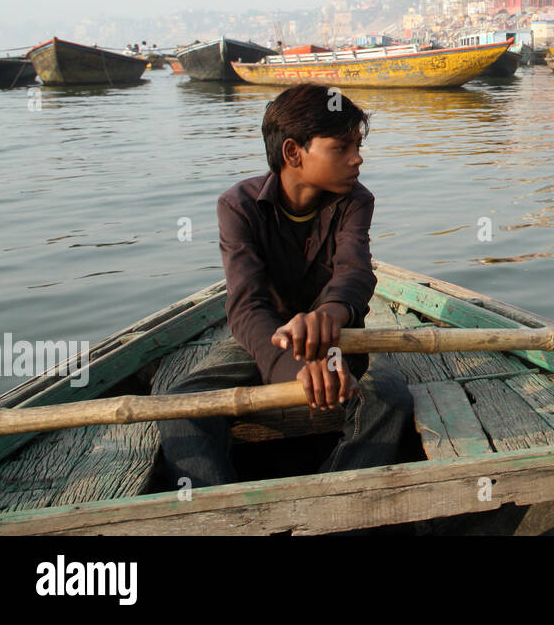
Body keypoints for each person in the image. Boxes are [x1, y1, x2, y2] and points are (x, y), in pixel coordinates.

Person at [158, 84, 411, 489]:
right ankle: (225, 519)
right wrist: (295, 370)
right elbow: (246, 306)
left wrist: (328, 317)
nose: (357, 158)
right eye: (342, 148)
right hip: (265, 337)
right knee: (180, 405)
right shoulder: (237, 206)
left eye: (358, 146)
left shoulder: (355, 201)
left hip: (340, 334)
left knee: (389, 397)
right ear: (293, 152)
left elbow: (355, 271)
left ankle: (331, 509)